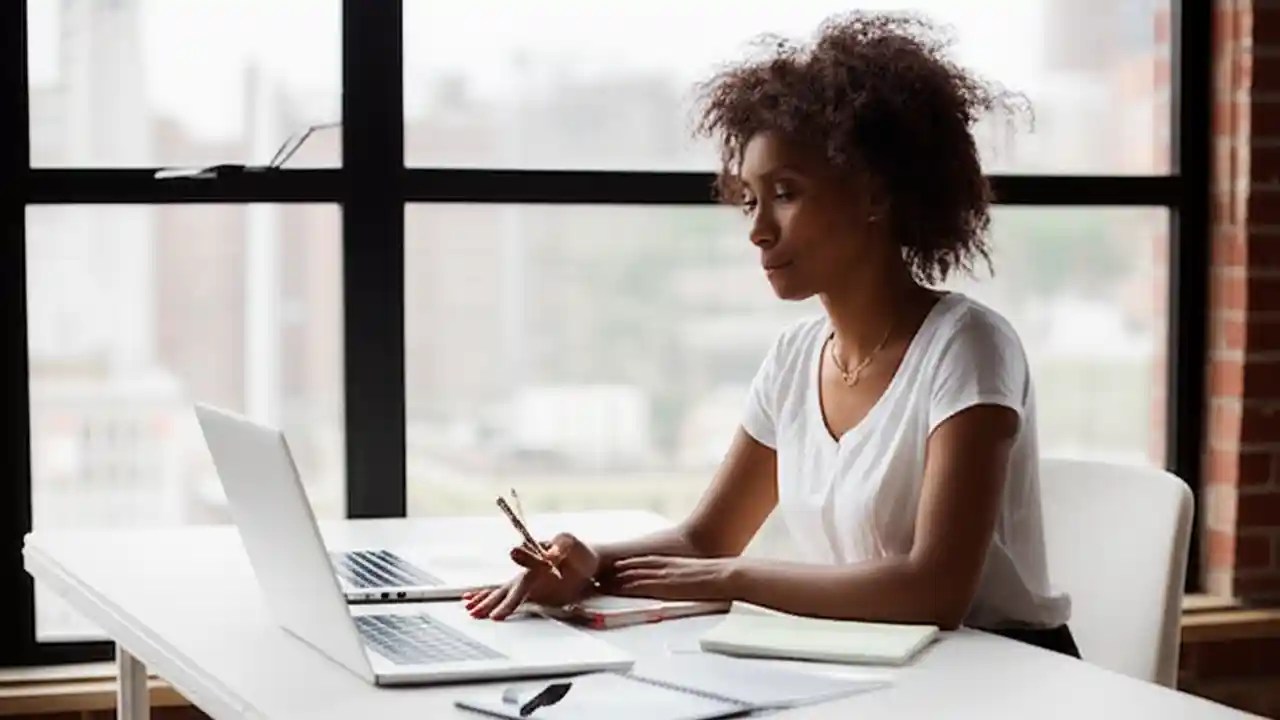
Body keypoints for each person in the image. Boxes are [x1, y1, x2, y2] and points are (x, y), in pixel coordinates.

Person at [464, 11, 1078, 658]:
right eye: (750, 199)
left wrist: (738, 582)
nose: (758, 229)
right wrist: (588, 561)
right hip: (883, 668)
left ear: (873, 193)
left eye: (786, 193)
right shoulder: (794, 359)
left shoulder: (969, 346)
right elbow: (706, 541)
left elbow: (935, 590)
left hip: (1009, 674)